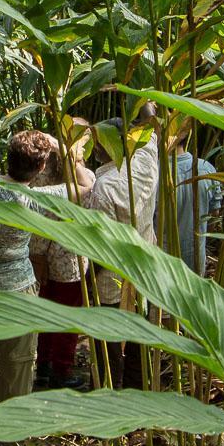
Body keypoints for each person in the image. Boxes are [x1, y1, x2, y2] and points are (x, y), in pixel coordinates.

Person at [0, 129, 91, 446]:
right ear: (40, 167)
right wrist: (67, 146)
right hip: (18, 293)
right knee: (17, 369)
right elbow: (86, 187)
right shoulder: (36, 199)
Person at [84, 102, 161, 389]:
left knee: (109, 341)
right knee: (139, 335)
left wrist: (89, 279)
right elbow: (153, 128)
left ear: (105, 148)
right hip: (145, 269)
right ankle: (137, 394)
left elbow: (102, 245)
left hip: (112, 277)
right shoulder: (144, 163)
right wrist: (143, 101)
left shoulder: (104, 187)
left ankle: (108, 396)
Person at [31, 129, 95, 392]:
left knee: (51, 316)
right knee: (65, 320)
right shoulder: (66, 178)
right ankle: (58, 372)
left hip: (53, 259)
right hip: (66, 262)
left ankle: (47, 370)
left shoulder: (46, 177)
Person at [161, 136, 223, 274]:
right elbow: (213, 217)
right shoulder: (207, 169)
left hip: (161, 262)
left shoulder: (153, 172)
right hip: (195, 258)